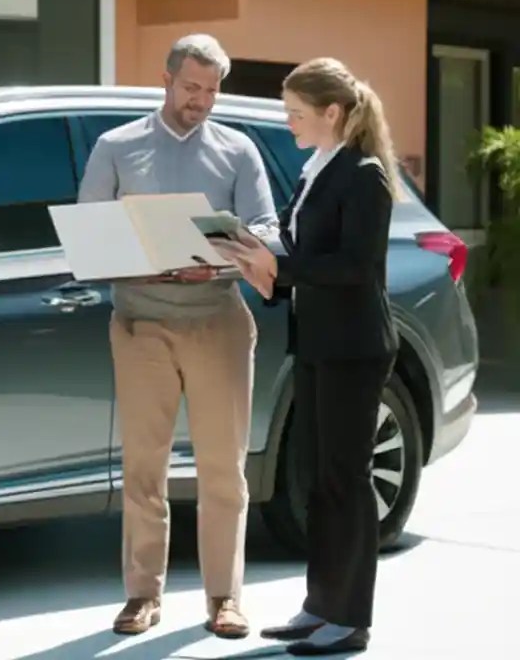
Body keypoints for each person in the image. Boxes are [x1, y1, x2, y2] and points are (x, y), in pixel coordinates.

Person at [78, 34, 277, 639]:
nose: (202, 100)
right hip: (141, 326)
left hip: (217, 318)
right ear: (166, 79)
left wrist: (220, 257)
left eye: (212, 90)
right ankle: (142, 595)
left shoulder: (238, 150)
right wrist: (146, 261)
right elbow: (88, 233)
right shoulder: (117, 147)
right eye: (192, 87)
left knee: (223, 467)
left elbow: (268, 228)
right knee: (144, 466)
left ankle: (225, 597)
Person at [212, 57, 400, 656]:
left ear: (332, 113)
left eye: (296, 113)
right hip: (318, 342)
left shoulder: (363, 174)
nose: (288, 122)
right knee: (319, 483)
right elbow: (301, 251)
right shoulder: (316, 170)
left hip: (354, 349)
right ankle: (320, 607)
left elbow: (356, 267)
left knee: (346, 482)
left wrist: (283, 267)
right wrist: (257, 260)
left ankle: (350, 620)